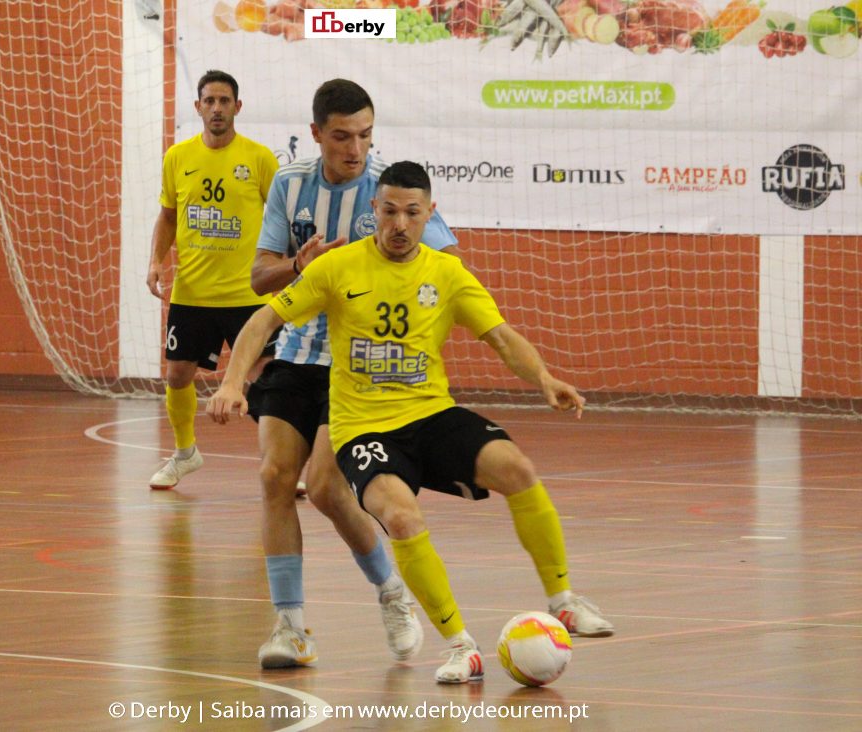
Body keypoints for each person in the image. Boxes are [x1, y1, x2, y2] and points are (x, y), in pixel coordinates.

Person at [208, 161, 614, 685]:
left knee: (517, 467)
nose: (400, 224)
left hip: (430, 412)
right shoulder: (337, 268)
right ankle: (460, 646)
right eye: (390, 211)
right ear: (374, 211)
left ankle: (563, 599)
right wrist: (232, 384)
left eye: (412, 213)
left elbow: (501, 336)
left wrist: (544, 379)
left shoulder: (447, 275)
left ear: (430, 215)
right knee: (400, 518)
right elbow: (264, 318)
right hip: (363, 430)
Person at [232, 79, 461, 670]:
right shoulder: (290, 186)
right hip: (297, 353)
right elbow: (260, 279)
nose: (354, 149)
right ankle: (291, 628)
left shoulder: (390, 193)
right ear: (316, 135)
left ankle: (390, 591)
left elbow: (445, 269)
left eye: (364, 135)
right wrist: (296, 266)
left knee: (329, 487)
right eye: (341, 137)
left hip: (361, 368)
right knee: (275, 477)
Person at [146, 70, 278, 489]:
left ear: (238, 107)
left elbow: (280, 220)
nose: (217, 108)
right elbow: (168, 216)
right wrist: (155, 262)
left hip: (248, 294)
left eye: (225, 101)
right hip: (193, 294)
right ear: (198, 107)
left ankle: (280, 465)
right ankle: (185, 454)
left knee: (267, 378)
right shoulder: (178, 157)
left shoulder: (259, 159)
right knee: (177, 376)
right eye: (209, 100)